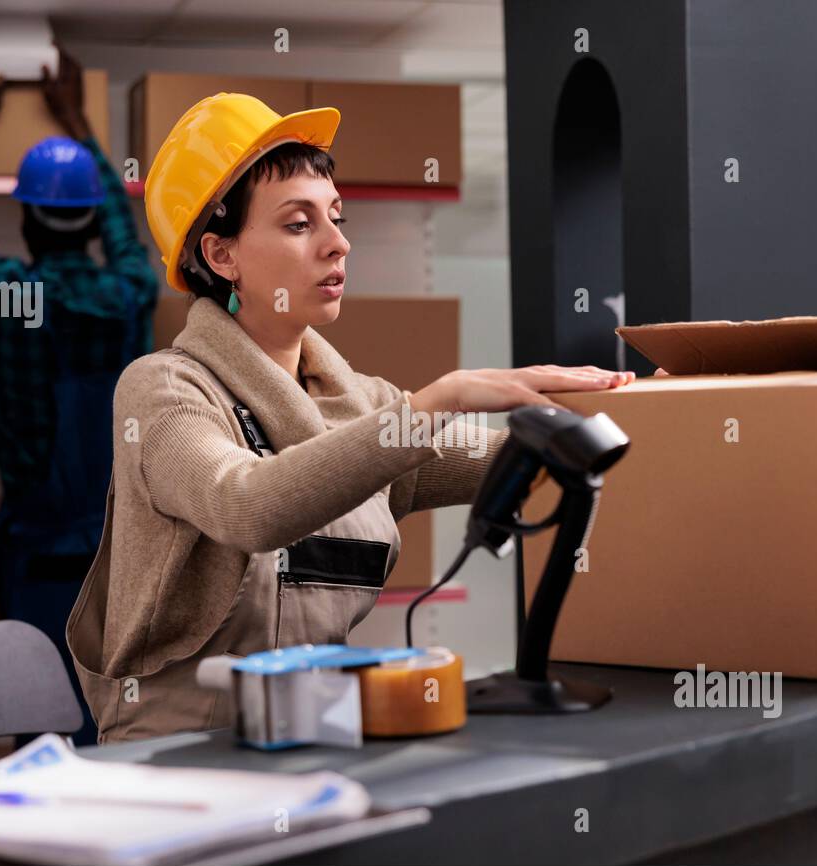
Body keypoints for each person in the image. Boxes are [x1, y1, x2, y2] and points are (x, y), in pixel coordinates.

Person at [67, 92, 633, 743]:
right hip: (175, 753)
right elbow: (247, 506)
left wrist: (659, 411)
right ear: (222, 256)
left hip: (314, 736)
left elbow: (517, 460)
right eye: (299, 223)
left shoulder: (361, 404)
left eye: (335, 217)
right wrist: (439, 399)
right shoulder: (164, 390)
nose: (339, 243)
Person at [0, 52, 158, 746]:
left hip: (35, 561)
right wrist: (80, 121)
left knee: (39, 735)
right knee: (119, 734)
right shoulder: (132, 293)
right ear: (91, 221)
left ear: (27, 219)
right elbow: (123, 234)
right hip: (127, 564)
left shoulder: (14, 295)